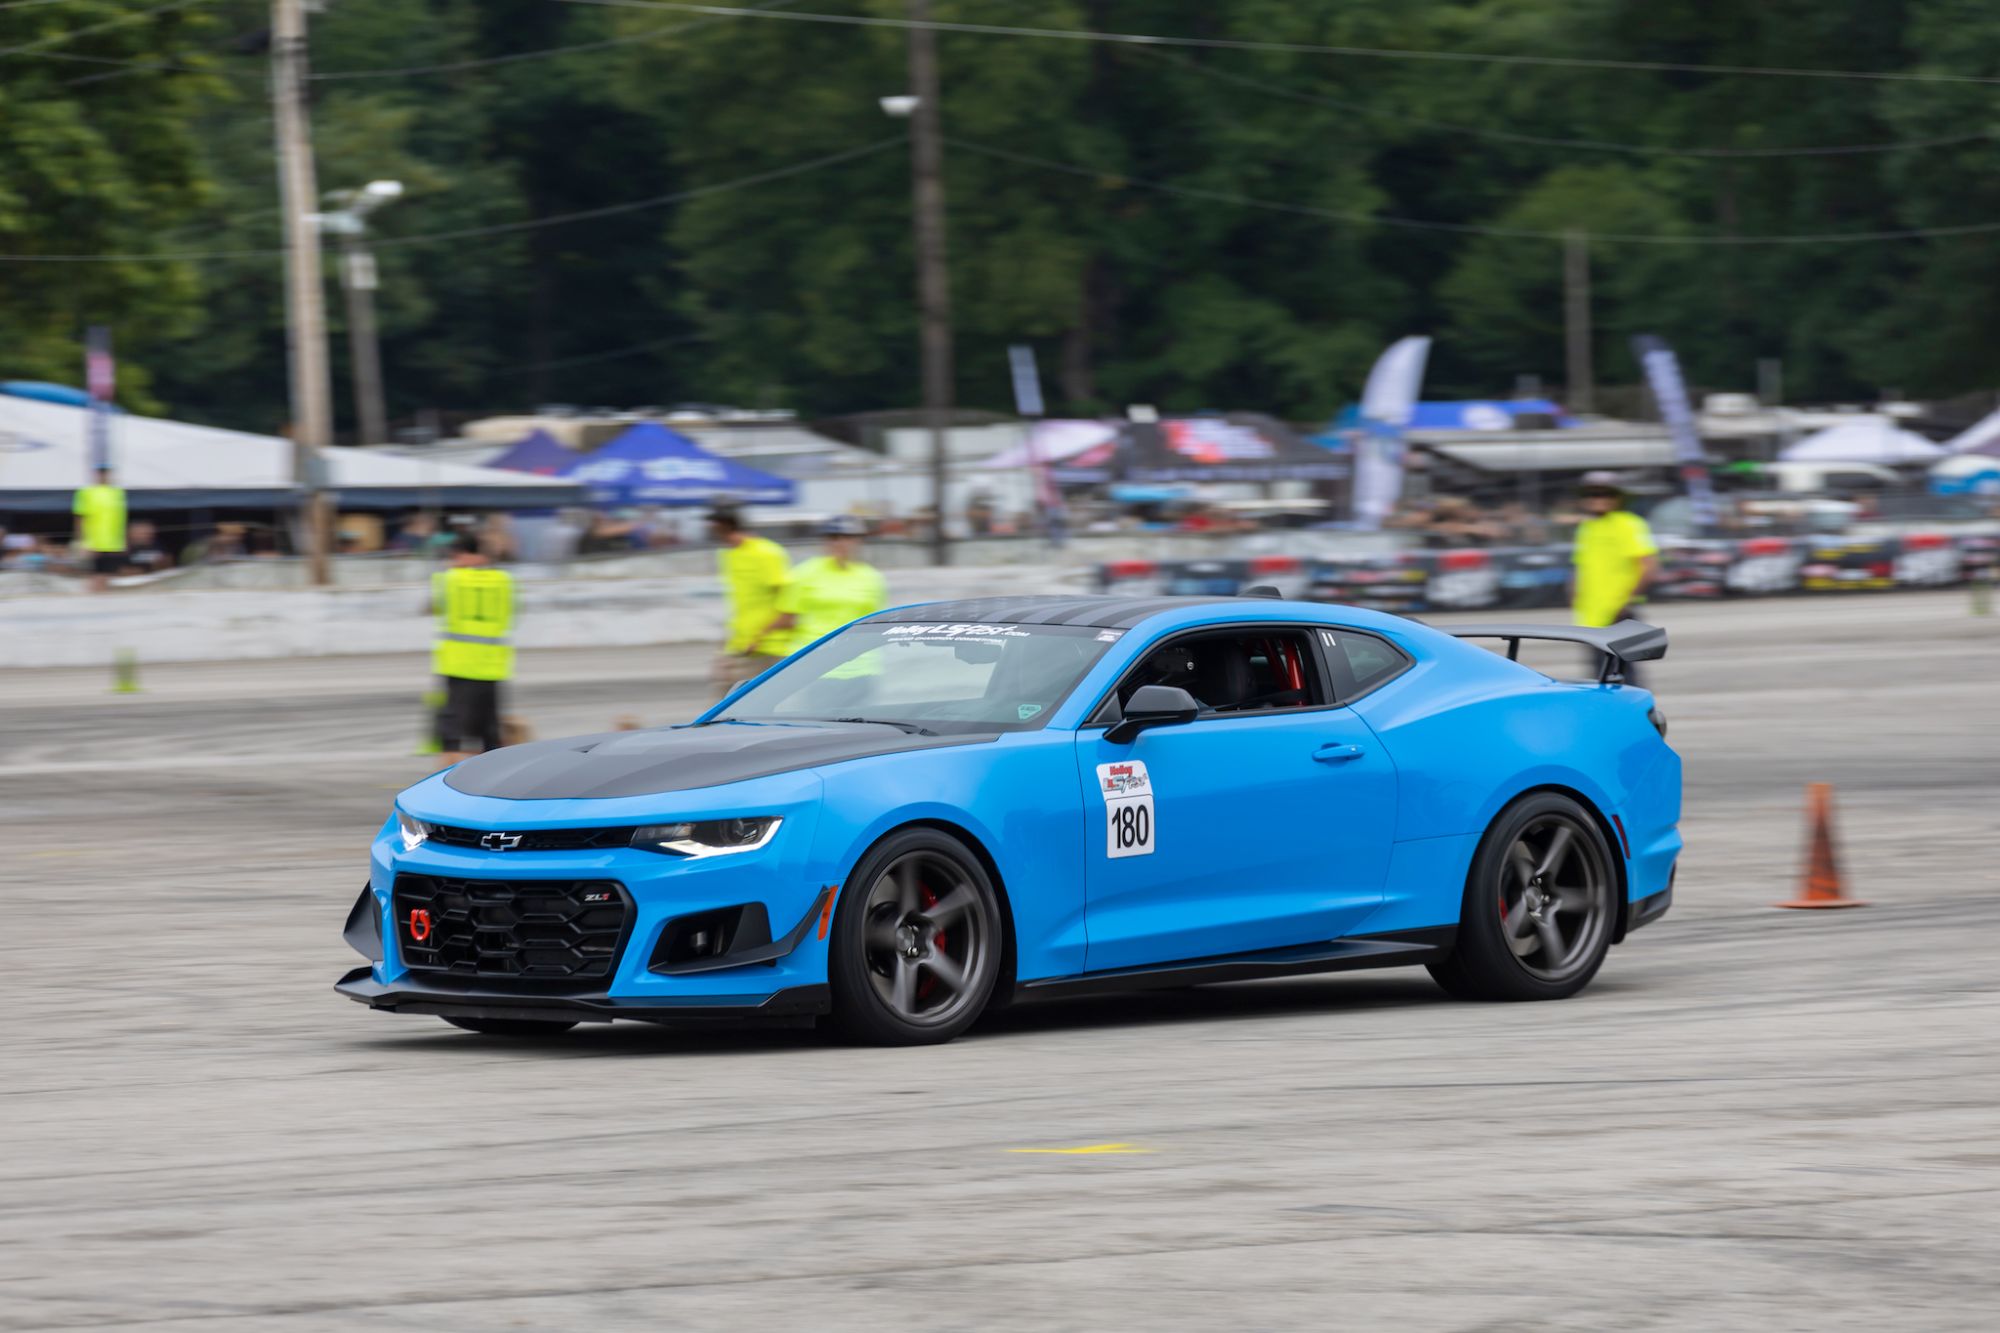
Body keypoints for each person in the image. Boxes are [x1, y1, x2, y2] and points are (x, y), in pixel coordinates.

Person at [431, 533, 515, 764]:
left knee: (453, 722)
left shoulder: (449, 579)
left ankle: (449, 765)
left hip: (458, 662)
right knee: (489, 722)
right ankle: (492, 762)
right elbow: (512, 615)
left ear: (462, 554)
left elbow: (437, 606)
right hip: (492, 663)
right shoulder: (503, 580)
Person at [1570, 470, 1660, 682]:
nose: (1598, 499)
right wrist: (1574, 593)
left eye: (1606, 494)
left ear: (1619, 497)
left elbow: (1648, 566)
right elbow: (1580, 567)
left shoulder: (1628, 524)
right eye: (1592, 494)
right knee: (1599, 676)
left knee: (1624, 675)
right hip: (1591, 616)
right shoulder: (1587, 527)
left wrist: (1627, 601)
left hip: (1619, 613)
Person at [709, 506, 793, 698]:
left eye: (714, 527)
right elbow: (741, 604)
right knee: (723, 706)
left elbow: (788, 605)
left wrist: (759, 637)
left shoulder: (767, 553)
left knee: (744, 706)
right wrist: (725, 648)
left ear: (724, 526)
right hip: (741, 646)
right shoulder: (728, 555)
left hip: (769, 649)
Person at [773, 516, 887, 650]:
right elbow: (786, 619)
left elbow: (877, 623)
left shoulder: (871, 577)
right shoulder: (804, 572)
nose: (840, 543)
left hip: (859, 656)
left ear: (859, 541)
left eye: (848, 538)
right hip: (813, 654)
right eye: (834, 538)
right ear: (825, 541)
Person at [72, 467, 128, 592]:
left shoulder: (118, 493)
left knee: (108, 575)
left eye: (106, 473)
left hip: (113, 543)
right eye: (101, 473)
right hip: (93, 543)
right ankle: (92, 598)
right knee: (94, 575)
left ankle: (102, 599)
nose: (104, 476)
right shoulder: (86, 493)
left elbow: (121, 519)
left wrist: (123, 541)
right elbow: (80, 518)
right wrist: (82, 542)